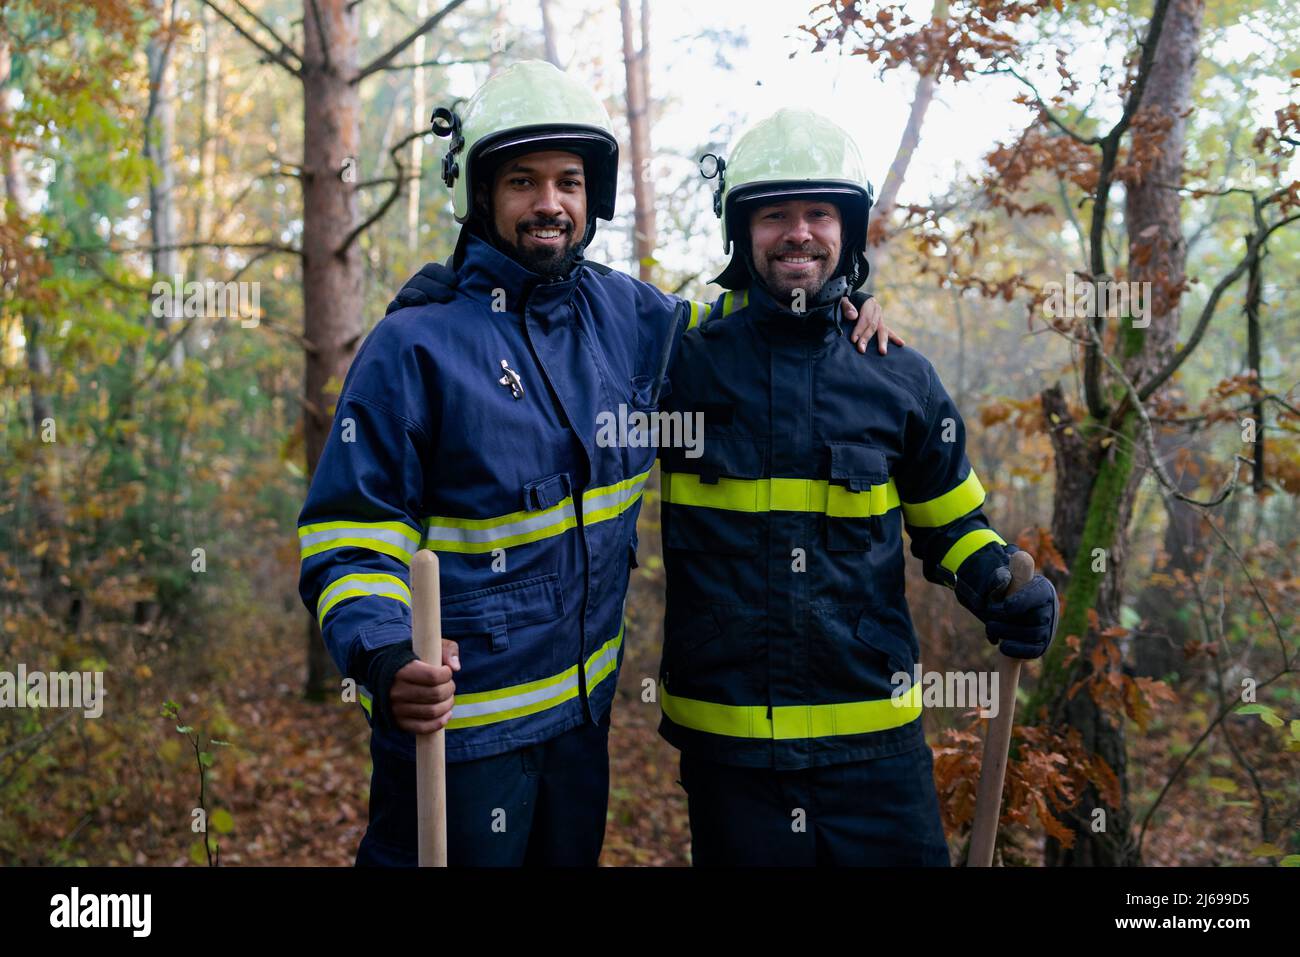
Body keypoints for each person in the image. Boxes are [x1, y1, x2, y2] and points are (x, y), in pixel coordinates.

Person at [296, 62, 894, 866]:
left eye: (569, 181)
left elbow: (741, 326)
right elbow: (348, 530)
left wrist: (840, 300)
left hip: (580, 732)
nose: (550, 202)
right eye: (522, 181)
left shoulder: (626, 315)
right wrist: (384, 651)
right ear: (480, 195)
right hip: (459, 741)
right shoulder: (414, 345)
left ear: (592, 196)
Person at [654, 109, 1059, 866]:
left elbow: (949, 525)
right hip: (731, 754)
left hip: (875, 749)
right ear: (740, 232)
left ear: (850, 228)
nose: (798, 232)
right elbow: (566, 336)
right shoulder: (679, 361)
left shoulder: (899, 376)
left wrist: (1001, 579)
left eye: (819, 213)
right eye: (775, 214)